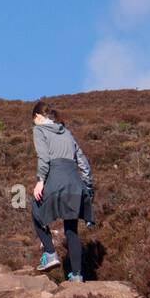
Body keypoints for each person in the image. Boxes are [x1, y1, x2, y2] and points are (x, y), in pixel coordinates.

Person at [30, 100, 94, 282]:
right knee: (71, 229)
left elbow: (43, 157)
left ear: (38, 117)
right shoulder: (67, 133)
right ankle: (77, 276)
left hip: (56, 179)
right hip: (75, 184)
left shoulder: (39, 130)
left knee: (36, 211)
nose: (33, 124)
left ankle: (50, 254)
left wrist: (40, 181)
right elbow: (83, 163)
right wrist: (88, 189)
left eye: (33, 120)